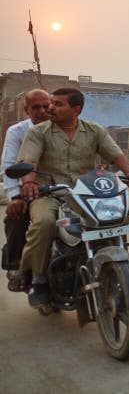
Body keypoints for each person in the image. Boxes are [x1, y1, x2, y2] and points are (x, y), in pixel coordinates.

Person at [16, 87, 129, 310]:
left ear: (76, 109)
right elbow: (29, 160)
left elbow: (115, 154)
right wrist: (29, 182)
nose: (50, 108)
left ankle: (112, 266)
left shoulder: (94, 131)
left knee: (118, 216)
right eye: (51, 103)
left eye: (58, 104)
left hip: (86, 194)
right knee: (44, 223)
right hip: (51, 193)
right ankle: (38, 279)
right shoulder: (39, 132)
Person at [1, 89, 51, 292]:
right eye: (36, 107)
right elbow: (8, 165)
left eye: (46, 106)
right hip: (28, 190)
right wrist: (14, 196)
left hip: (60, 188)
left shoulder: (60, 128)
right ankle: (15, 267)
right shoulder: (17, 131)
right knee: (16, 216)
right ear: (26, 110)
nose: (42, 111)